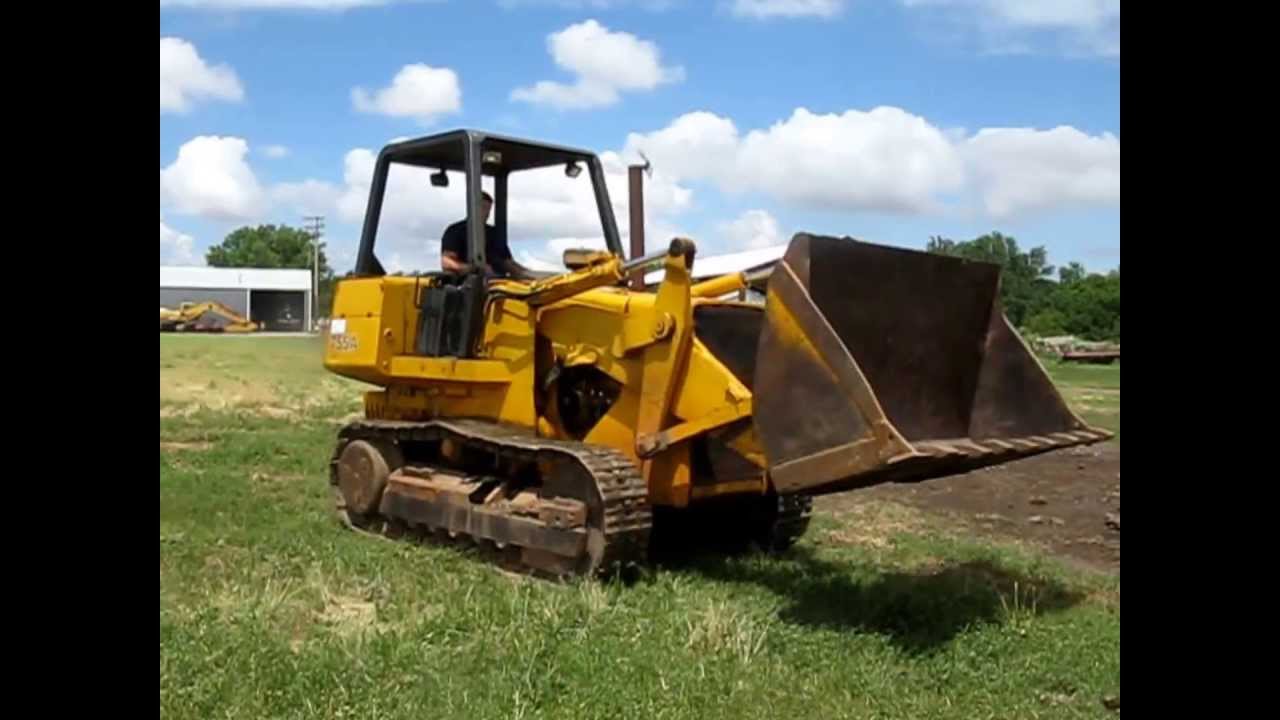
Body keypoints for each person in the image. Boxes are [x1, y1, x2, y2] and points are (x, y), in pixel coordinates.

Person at [439, 191, 538, 280]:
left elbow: (508, 262)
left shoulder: (494, 233)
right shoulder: (455, 231)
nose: (486, 213)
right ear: (473, 208)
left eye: (488, 209)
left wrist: (531, 275)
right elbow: (447, 262)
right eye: (483, 208)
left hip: (496, 284)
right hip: (466, 285)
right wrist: (474, 269)